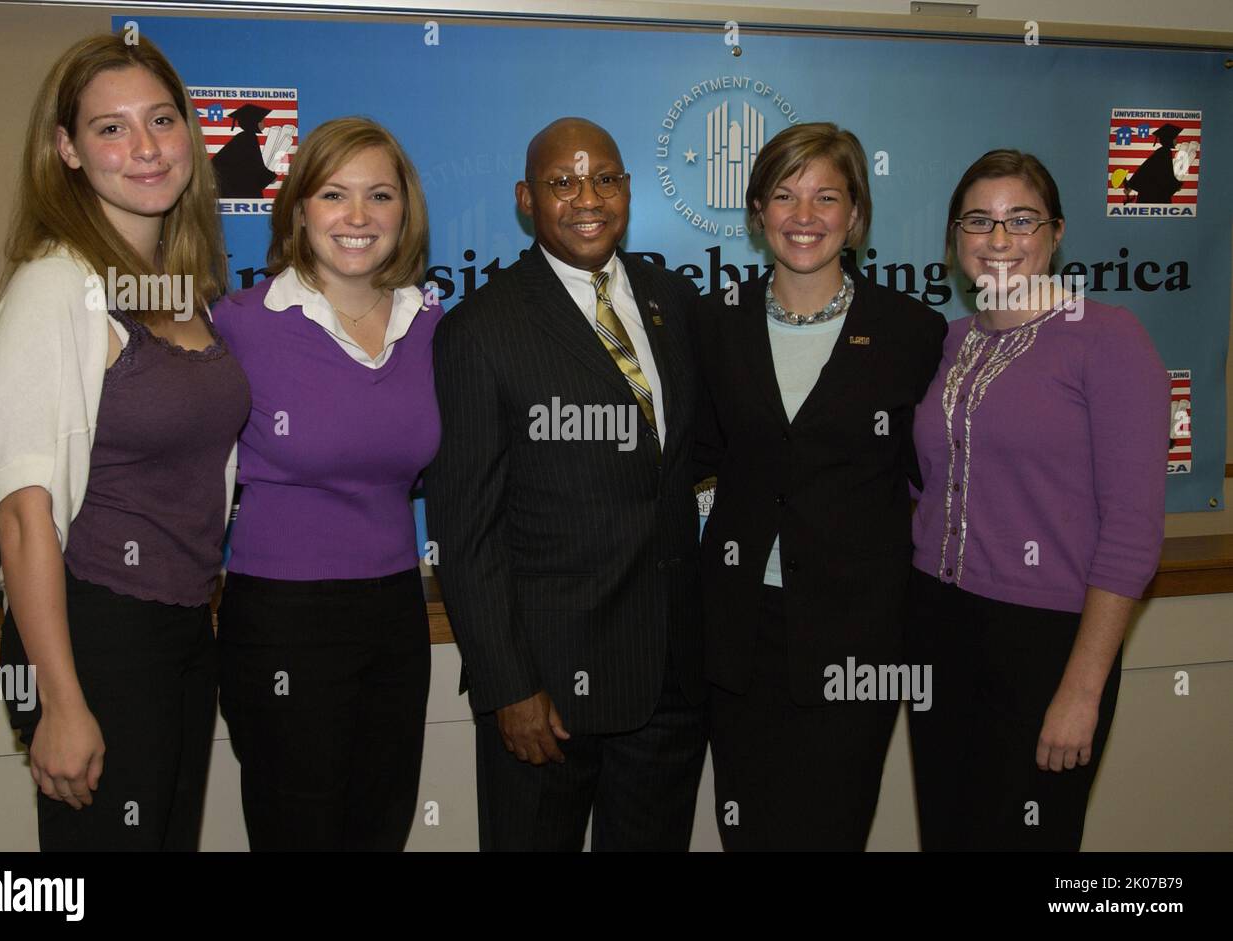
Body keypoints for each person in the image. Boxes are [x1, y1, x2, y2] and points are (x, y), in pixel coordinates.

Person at [0, 33, 248, 851]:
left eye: (162, 120)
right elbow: (22, 513)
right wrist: (61, 701)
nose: (146, 147)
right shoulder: (54, 286)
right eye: (111, 128)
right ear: (66, 149)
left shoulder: (182, 289)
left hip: (182, 627)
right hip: (92, 634)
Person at [425, 117, 708, 851]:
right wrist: (508, 684)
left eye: (605, 179)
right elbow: (465, 531)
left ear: (628, 191)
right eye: (563, 182)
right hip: (546, 691)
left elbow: (685, 461)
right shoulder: (479, 330)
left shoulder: (673, 301)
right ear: (527, 199)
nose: (588, 198)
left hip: (671, 683)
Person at [692, 122, 947, 851]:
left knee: (831, 830)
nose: (804, 216)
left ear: (856, 214)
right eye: (784, 195)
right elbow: (691, 455)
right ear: (757, 212)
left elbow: (937, 473)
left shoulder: (912, 332)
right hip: (740, 634)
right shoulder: (715, 322)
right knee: (747, 828)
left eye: (826, 197)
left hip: (858, 638)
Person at [907, 149, 1169, 851]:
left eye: (1021, 219)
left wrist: (1082, 689)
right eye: (978, 220)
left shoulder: (1108, 338)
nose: (998, 238)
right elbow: (922, 485)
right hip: (937, 627)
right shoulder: (950, 343)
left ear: (1056, 233)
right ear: (955, 239)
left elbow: (1133, 533)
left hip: (1046, 642)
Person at [210, 117, 440, 851]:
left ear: (405, 211)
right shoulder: (238, 325)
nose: (358, 216)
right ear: (299, 209)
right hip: (282, 619)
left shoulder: (434, 327)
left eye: (380, 194)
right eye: (334, 194)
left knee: (381, 824)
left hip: (397, 612)